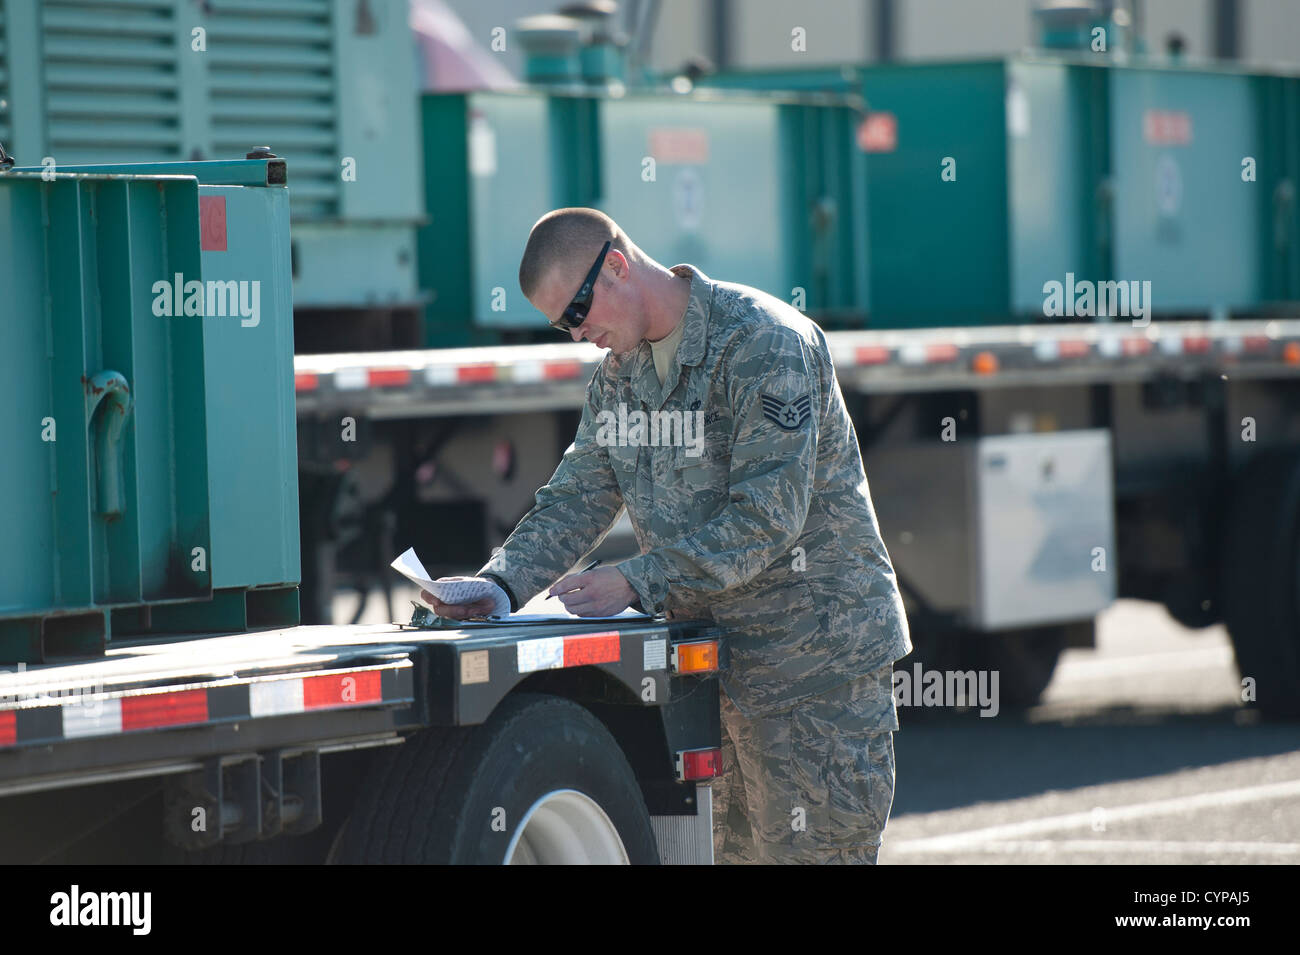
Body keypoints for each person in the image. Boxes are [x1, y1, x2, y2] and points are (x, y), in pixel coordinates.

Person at [424, 207, 912, 864]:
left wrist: (634, 579)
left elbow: (769, 515)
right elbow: (579, 494)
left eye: (576, 312)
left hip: (813, 676)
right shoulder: (622, 376)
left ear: (617, 266)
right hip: (719, 678)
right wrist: (499, 581)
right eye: (562, 325)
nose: (577, 334)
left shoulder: (764, 343)